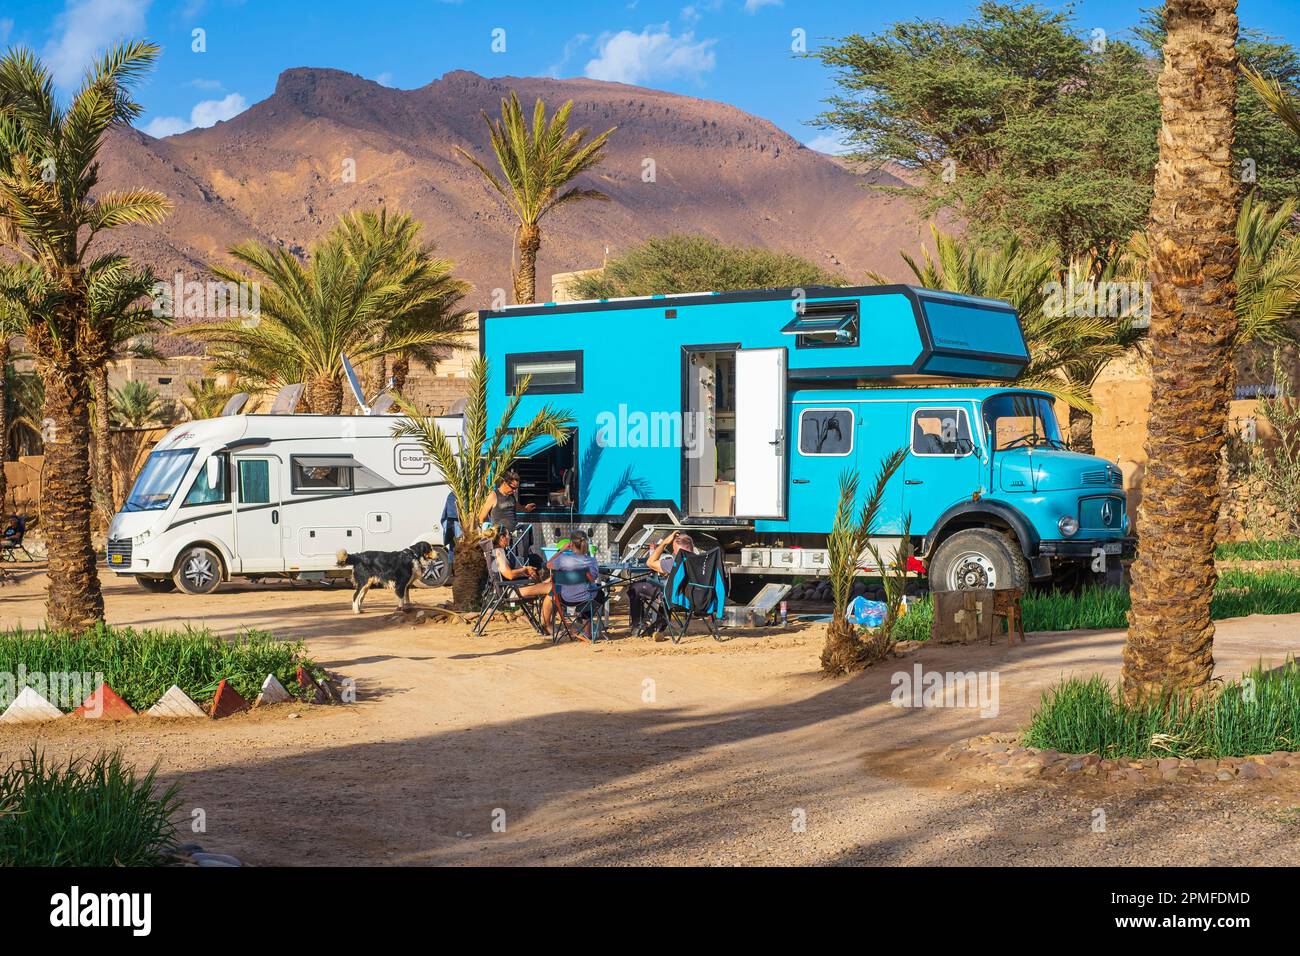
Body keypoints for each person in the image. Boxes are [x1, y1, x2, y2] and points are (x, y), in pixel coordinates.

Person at [628, 531, 695, 640]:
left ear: (680, 549)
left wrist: (664, 543)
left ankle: (638, 625)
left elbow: (650, 563)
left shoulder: (674, 562)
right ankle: (659, 627)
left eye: (674, 549)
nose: (673, 551)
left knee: (635, 587)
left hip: (676, 600)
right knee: (666, 590)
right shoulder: (702, 562)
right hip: (697, 601)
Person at [545, 530, 601, 641]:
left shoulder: (563, 560)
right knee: (598, 593)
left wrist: (561, 550)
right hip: (585, 601)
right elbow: (593, 577)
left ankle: (550, 625)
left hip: (566, 601)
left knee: (585, 593)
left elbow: (548, 564)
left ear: (571, 544)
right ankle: (588, 632)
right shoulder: (591, 561)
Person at [488, 525, 550, 616]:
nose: (510, 537)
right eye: (508, 535)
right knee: (552, 588)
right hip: (511, 591)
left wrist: (525, 571)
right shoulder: (498, 552)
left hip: (510, 588)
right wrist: (523, 570)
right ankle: (547, 623)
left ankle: (546, 621)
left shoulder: (496, 551)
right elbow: (509, 574)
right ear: (502, 538)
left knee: (549, 583)